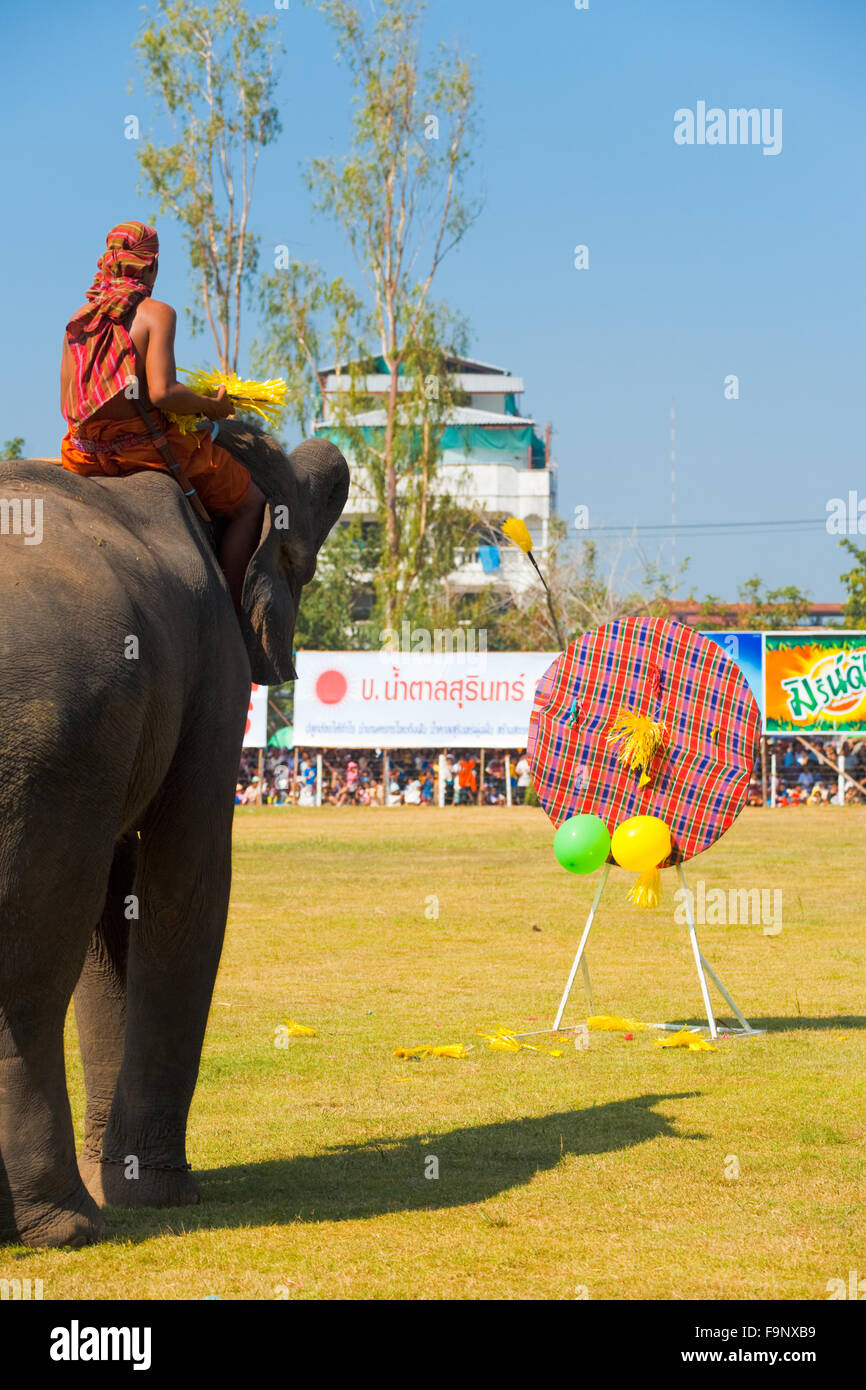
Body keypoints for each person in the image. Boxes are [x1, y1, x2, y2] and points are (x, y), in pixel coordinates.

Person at [59, 220, 266, 614]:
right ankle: (232, 615)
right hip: (142, 453)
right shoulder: (157, 314)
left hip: (83, 455)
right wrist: (213, 406)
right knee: (251, 503)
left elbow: (71, 401)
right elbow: (164, 393)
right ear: (150, 265)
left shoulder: (80, 320)